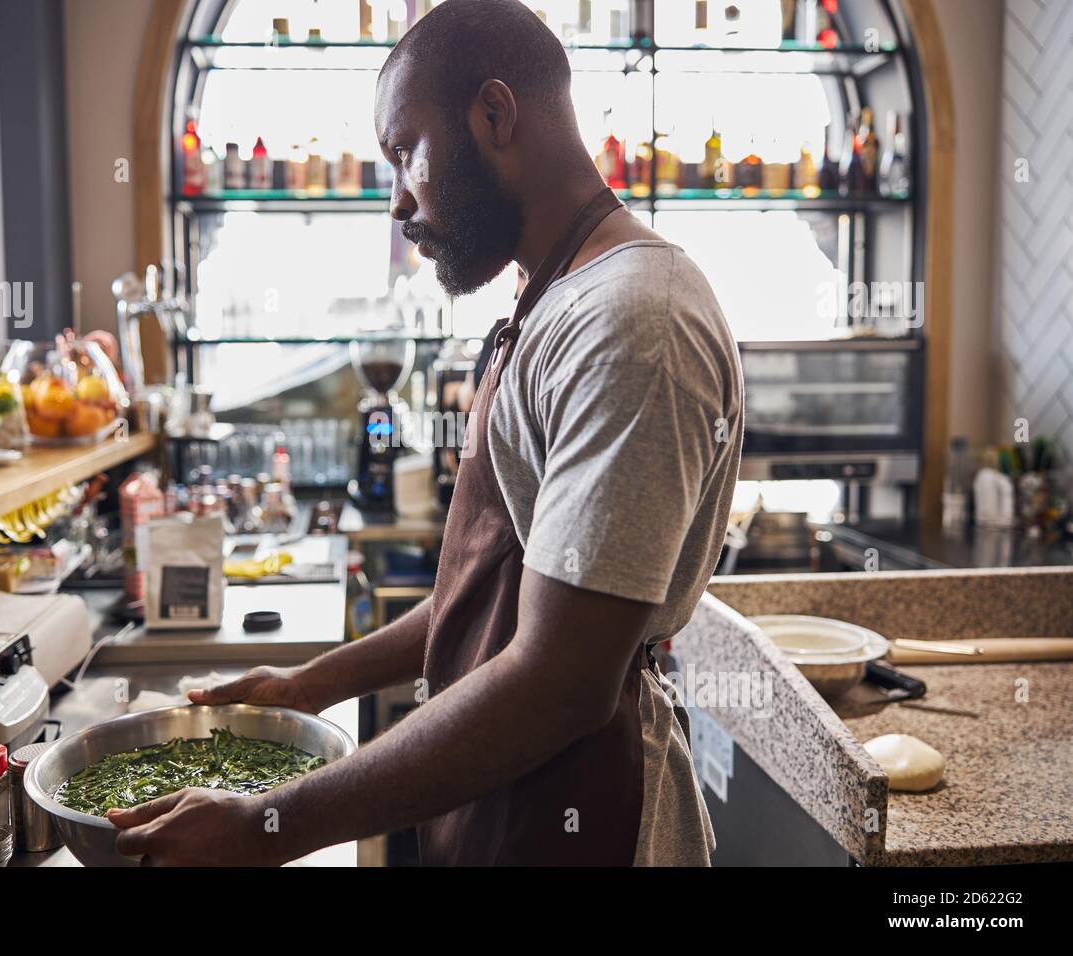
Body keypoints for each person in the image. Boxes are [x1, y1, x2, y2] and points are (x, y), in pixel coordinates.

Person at [109, 0, 743, 866]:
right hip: (502, 809)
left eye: (405, 151)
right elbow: (492, 595)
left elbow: (560, 684)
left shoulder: (632, 323)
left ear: (494, 113)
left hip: (586, 820)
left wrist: (269, 823)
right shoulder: (551, 300)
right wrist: (311, 684)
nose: (398, 199)